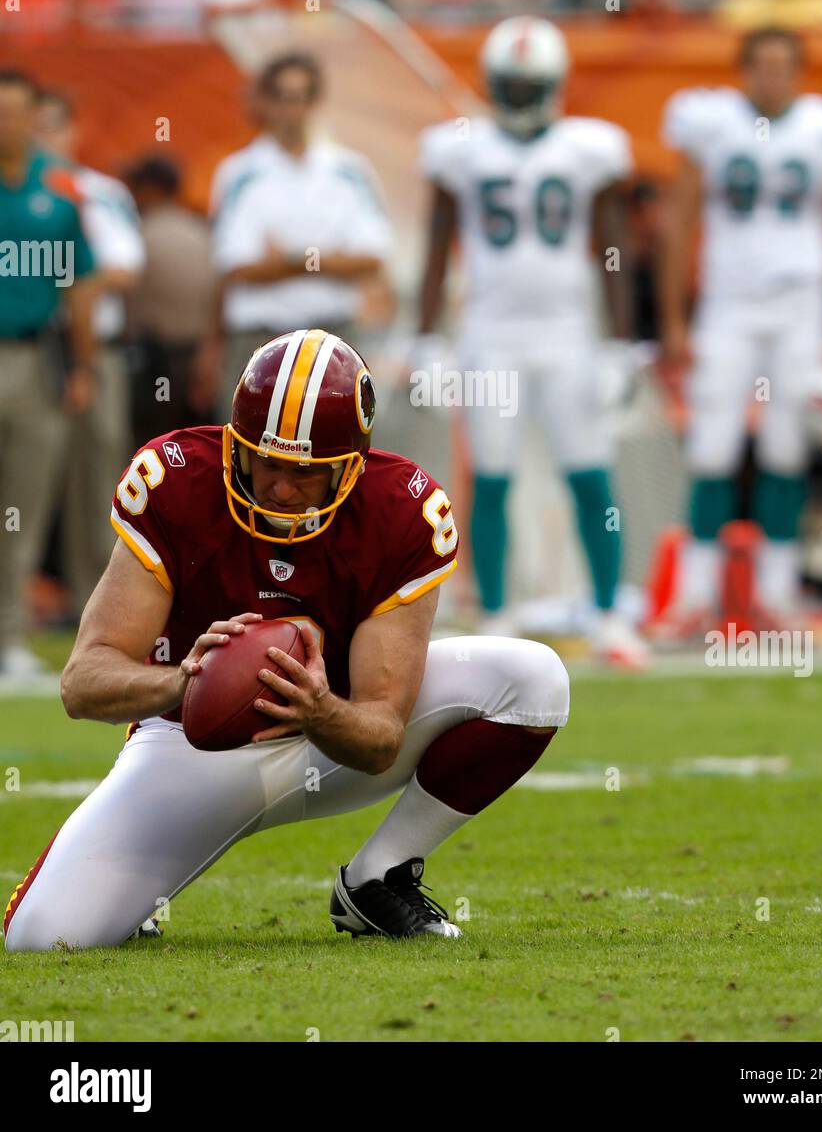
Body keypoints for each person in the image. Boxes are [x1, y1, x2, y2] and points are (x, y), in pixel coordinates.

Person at [3, 330, 569, 949]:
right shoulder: (176, 480)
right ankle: (139, 893)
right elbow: (82, 682)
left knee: (535, 681)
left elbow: (381, 734)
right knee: (41, 939)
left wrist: (321, 708)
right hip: (192, 746)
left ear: (349, 468)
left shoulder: (401, 511)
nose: (279, 487)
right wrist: (184, 681)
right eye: (265, 460)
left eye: (305, 472)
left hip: (332, 731)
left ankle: (378, 880)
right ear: (234, 445)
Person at [416, 16, 646, 667]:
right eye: (510, 87)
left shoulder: (588, 148)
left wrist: (620, 344)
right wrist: (427, 337)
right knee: (491, 474)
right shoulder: (459, 149)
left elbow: (612, 246)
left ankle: (608, 614)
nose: (519, 98)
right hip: (490, 334)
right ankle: (497, 613)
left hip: (568, 331)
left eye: (528, 86)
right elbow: (438, 245)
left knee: (589, 471)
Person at [654, 27, 822, 637]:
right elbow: (680, 223)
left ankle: (777, 596)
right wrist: (674, 317)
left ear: (799, 72)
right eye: (762, 65)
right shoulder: (710, 124)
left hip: (802, 304)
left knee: (785, 449)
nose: (772, 77)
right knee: (713, 448)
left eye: (784, 66)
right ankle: (694, 597)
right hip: (729, 303)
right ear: (744, 70)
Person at [210, 52, 394, 406]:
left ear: (314, 102)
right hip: (260, 341)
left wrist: (288, 258)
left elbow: (373, 260)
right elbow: (237, 267)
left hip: (333, 340)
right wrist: (330, 257)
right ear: (266, 102)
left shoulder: (349, 171)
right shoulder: (239, 173)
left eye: (299, 97)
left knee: (340, 454)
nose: (291, 110)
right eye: (281, 97)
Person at [0, 69, 97, 680]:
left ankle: (10, 634)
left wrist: (83, 364)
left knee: (24, 504)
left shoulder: (60, 188)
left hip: (36, 356)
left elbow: (79, 283)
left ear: (34, 116)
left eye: (15, 111)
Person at [34, 87, 145, 612]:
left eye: (55, 124)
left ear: (73, 129)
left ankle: (96, 608)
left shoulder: (98, 191)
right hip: (30, 344)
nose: (45, 136)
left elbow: (123, 269)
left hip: (95, 349)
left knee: (99, 478)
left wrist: (72, 284)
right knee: (24, 478)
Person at [124, 154, 218, 446]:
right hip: (198, 359)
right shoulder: (201, 232)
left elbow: (129, 306)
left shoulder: (138, 235)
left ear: (150, 188)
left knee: (149, 450)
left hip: (153, 361)